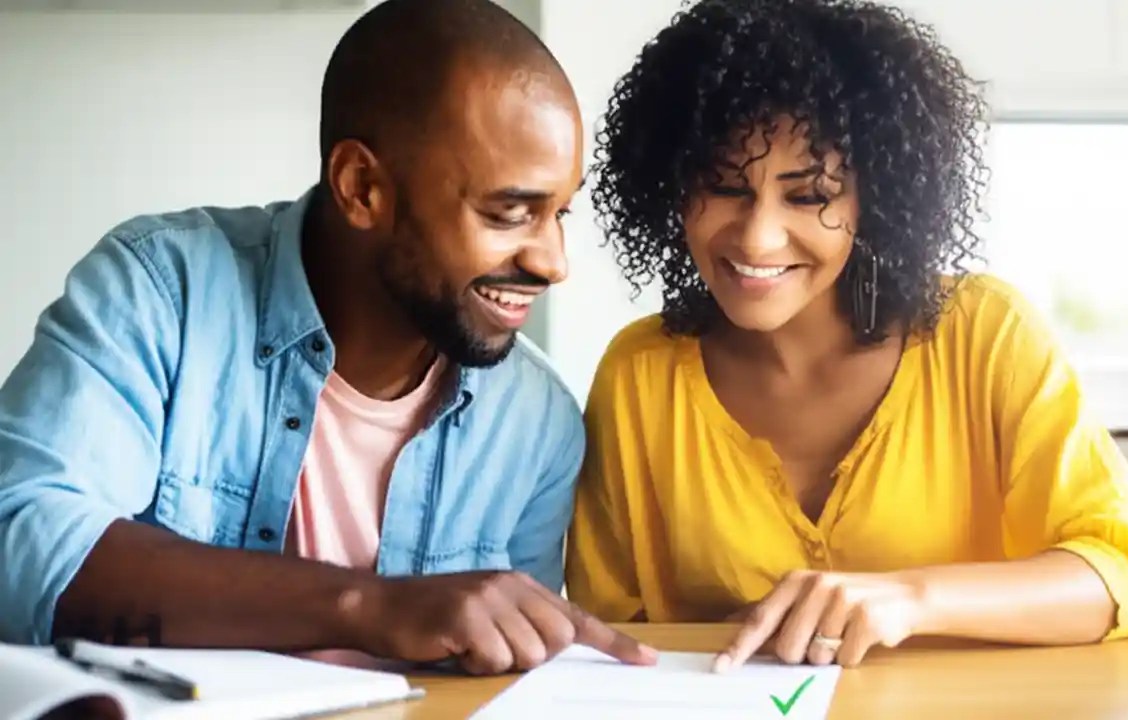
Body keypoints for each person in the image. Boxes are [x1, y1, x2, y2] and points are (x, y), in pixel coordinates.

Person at [0, 0, 655, 676]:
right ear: (362, 186)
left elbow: (508, 685)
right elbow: (19, 536)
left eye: (560, 213)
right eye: (509, 212)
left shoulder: (537, 424)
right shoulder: (161, 291)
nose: (552, 261)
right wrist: (370, 607)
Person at [567, 0, 1128, 672]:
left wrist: (911, 598)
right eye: (724, 187)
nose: (757, 236)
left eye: (808, 196)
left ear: (877, 196)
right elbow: (609, 641)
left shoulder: (983, 335)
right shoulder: (639, 374)